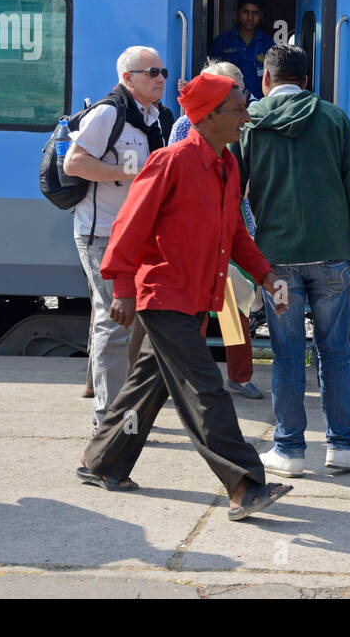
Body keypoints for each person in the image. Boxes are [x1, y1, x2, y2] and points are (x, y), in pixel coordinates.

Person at [77, 72, 292, 520]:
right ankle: (244, 483)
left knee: (147, 384)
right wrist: (121, 288)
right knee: (204, 389)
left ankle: (102, 461)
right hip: (163, 294)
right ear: (209, 116)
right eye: (237, 109)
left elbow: (233, 231)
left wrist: (266, 275)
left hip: (197, 294)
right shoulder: (171, 162)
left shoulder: (228, 164)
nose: (246, 117)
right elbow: (128, 227)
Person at [231, 45, 350, 478]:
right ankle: (343, 446)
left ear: (265, 80)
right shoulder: (333, 118)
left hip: (275, 261)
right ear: (308, 81)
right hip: (332, 254)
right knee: (335, 352)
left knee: (286, 353)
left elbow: (234, 191)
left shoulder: (251, 124)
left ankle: (290, 450)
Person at [62, 47, 174, 430]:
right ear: (128, 78)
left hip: (139, 235)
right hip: (103, 233)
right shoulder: (108, 114)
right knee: (112, 321)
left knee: (136, 323)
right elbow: (73, 163)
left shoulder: (159, 118)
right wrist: (131, 175)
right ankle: (108, 420)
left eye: (162, 71)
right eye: (151, 72)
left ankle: (125, 409)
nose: (160, 78)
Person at [170, 60, 264, 399]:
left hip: (234, 225)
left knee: (233, 307)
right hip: (197, 232)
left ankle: (239, 375)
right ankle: (189, 377)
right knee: (193, 308)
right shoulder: (184, 126)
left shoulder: (245, 121)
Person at [210, 0, 274, 99]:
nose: (250, 17)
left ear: (261, 15)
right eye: (245, 12)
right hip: (229, 101)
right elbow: (212, 74)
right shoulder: (222, 41)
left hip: (260, 102)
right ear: (237, 12)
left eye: (255, 13)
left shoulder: (268, 43)